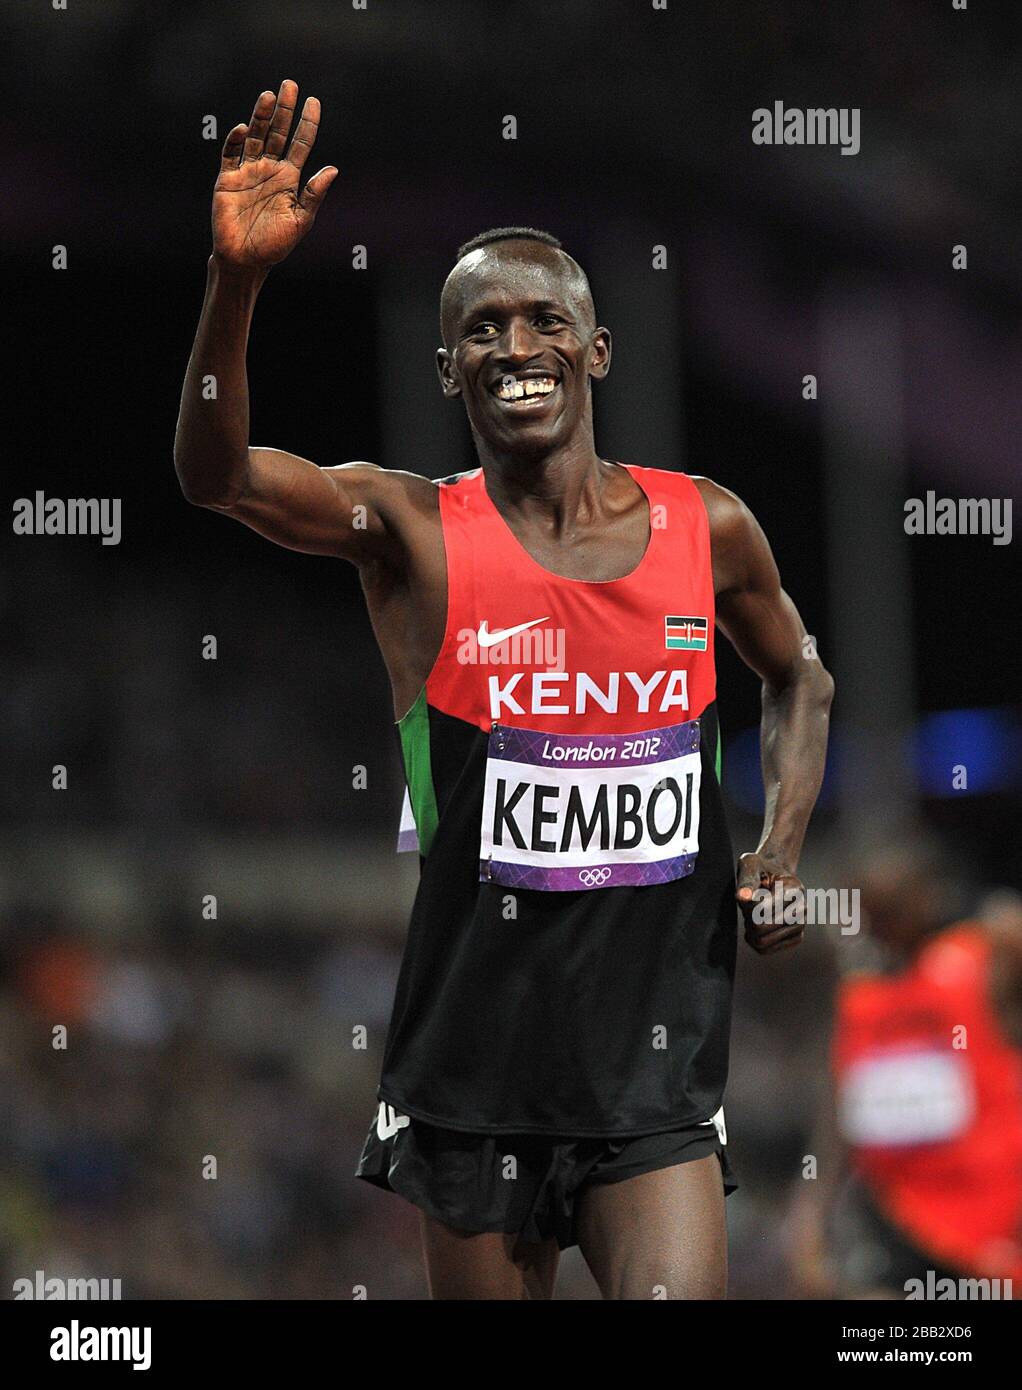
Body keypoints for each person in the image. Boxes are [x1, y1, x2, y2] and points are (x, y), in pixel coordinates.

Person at [175, 79, 834, 1299]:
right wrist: (237, 282)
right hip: (468, 1080)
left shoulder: (710, 528)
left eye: (541, 321)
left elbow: (800, 675)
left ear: (595, 349)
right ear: (447, 369)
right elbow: (217, 477)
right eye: (481, 329)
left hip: (653, 1084)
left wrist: (780, 847)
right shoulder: (413, 533)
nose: (514, 347)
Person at [789, 846, 1022, 1299]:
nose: (879, 926)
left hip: (996, 1213)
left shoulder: (977, 961)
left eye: (891, 909)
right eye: (868, 912)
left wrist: (1000, 915)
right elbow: (840, 1119)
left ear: (926, 899)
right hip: (898, 1219)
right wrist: (810, 1218)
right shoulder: (861, 1002)